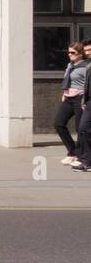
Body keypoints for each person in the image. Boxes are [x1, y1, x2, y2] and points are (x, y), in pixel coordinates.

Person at [52, 42, 86, 165]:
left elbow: (88, 84)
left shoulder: (85, 67)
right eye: (69, 52)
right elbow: (68, 80)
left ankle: (81, 156)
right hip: (68, 97)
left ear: (81, 54)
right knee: (58, 123)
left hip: (80, 98)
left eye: (73, 53)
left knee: (80, 128)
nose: (70, 54)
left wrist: (85, 99)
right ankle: (72, 152)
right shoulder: (70, 65)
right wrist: (64, 92)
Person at [72, 42, 91, 172]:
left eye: (90, 49)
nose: (87, 52)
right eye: (86, 50)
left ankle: (87, 161)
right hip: (89, 102)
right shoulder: (89, 64)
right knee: (84, 129)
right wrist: (85, 100)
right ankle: (86, 160)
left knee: (84, 129)